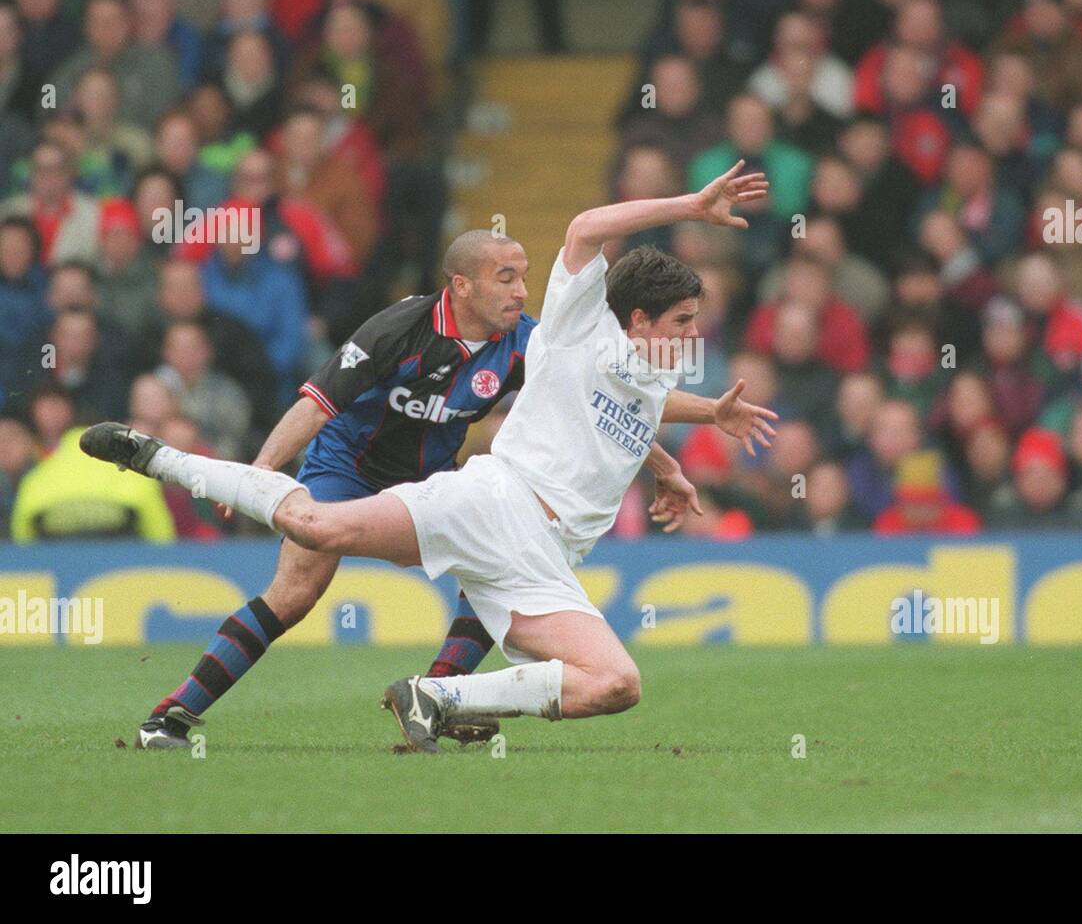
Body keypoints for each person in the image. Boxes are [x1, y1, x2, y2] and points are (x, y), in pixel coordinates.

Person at [83, 187, 776, 750]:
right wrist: (691, 206)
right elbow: (587, 225)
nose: (695, 336)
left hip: (535, 554)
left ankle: (436, 698)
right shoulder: (518, 328)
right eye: (683, 321)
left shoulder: (622, 367)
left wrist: (690, 436)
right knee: (309, 547)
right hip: (441, 488)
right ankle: (160, 460)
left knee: (616, 684)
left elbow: (614, 410)